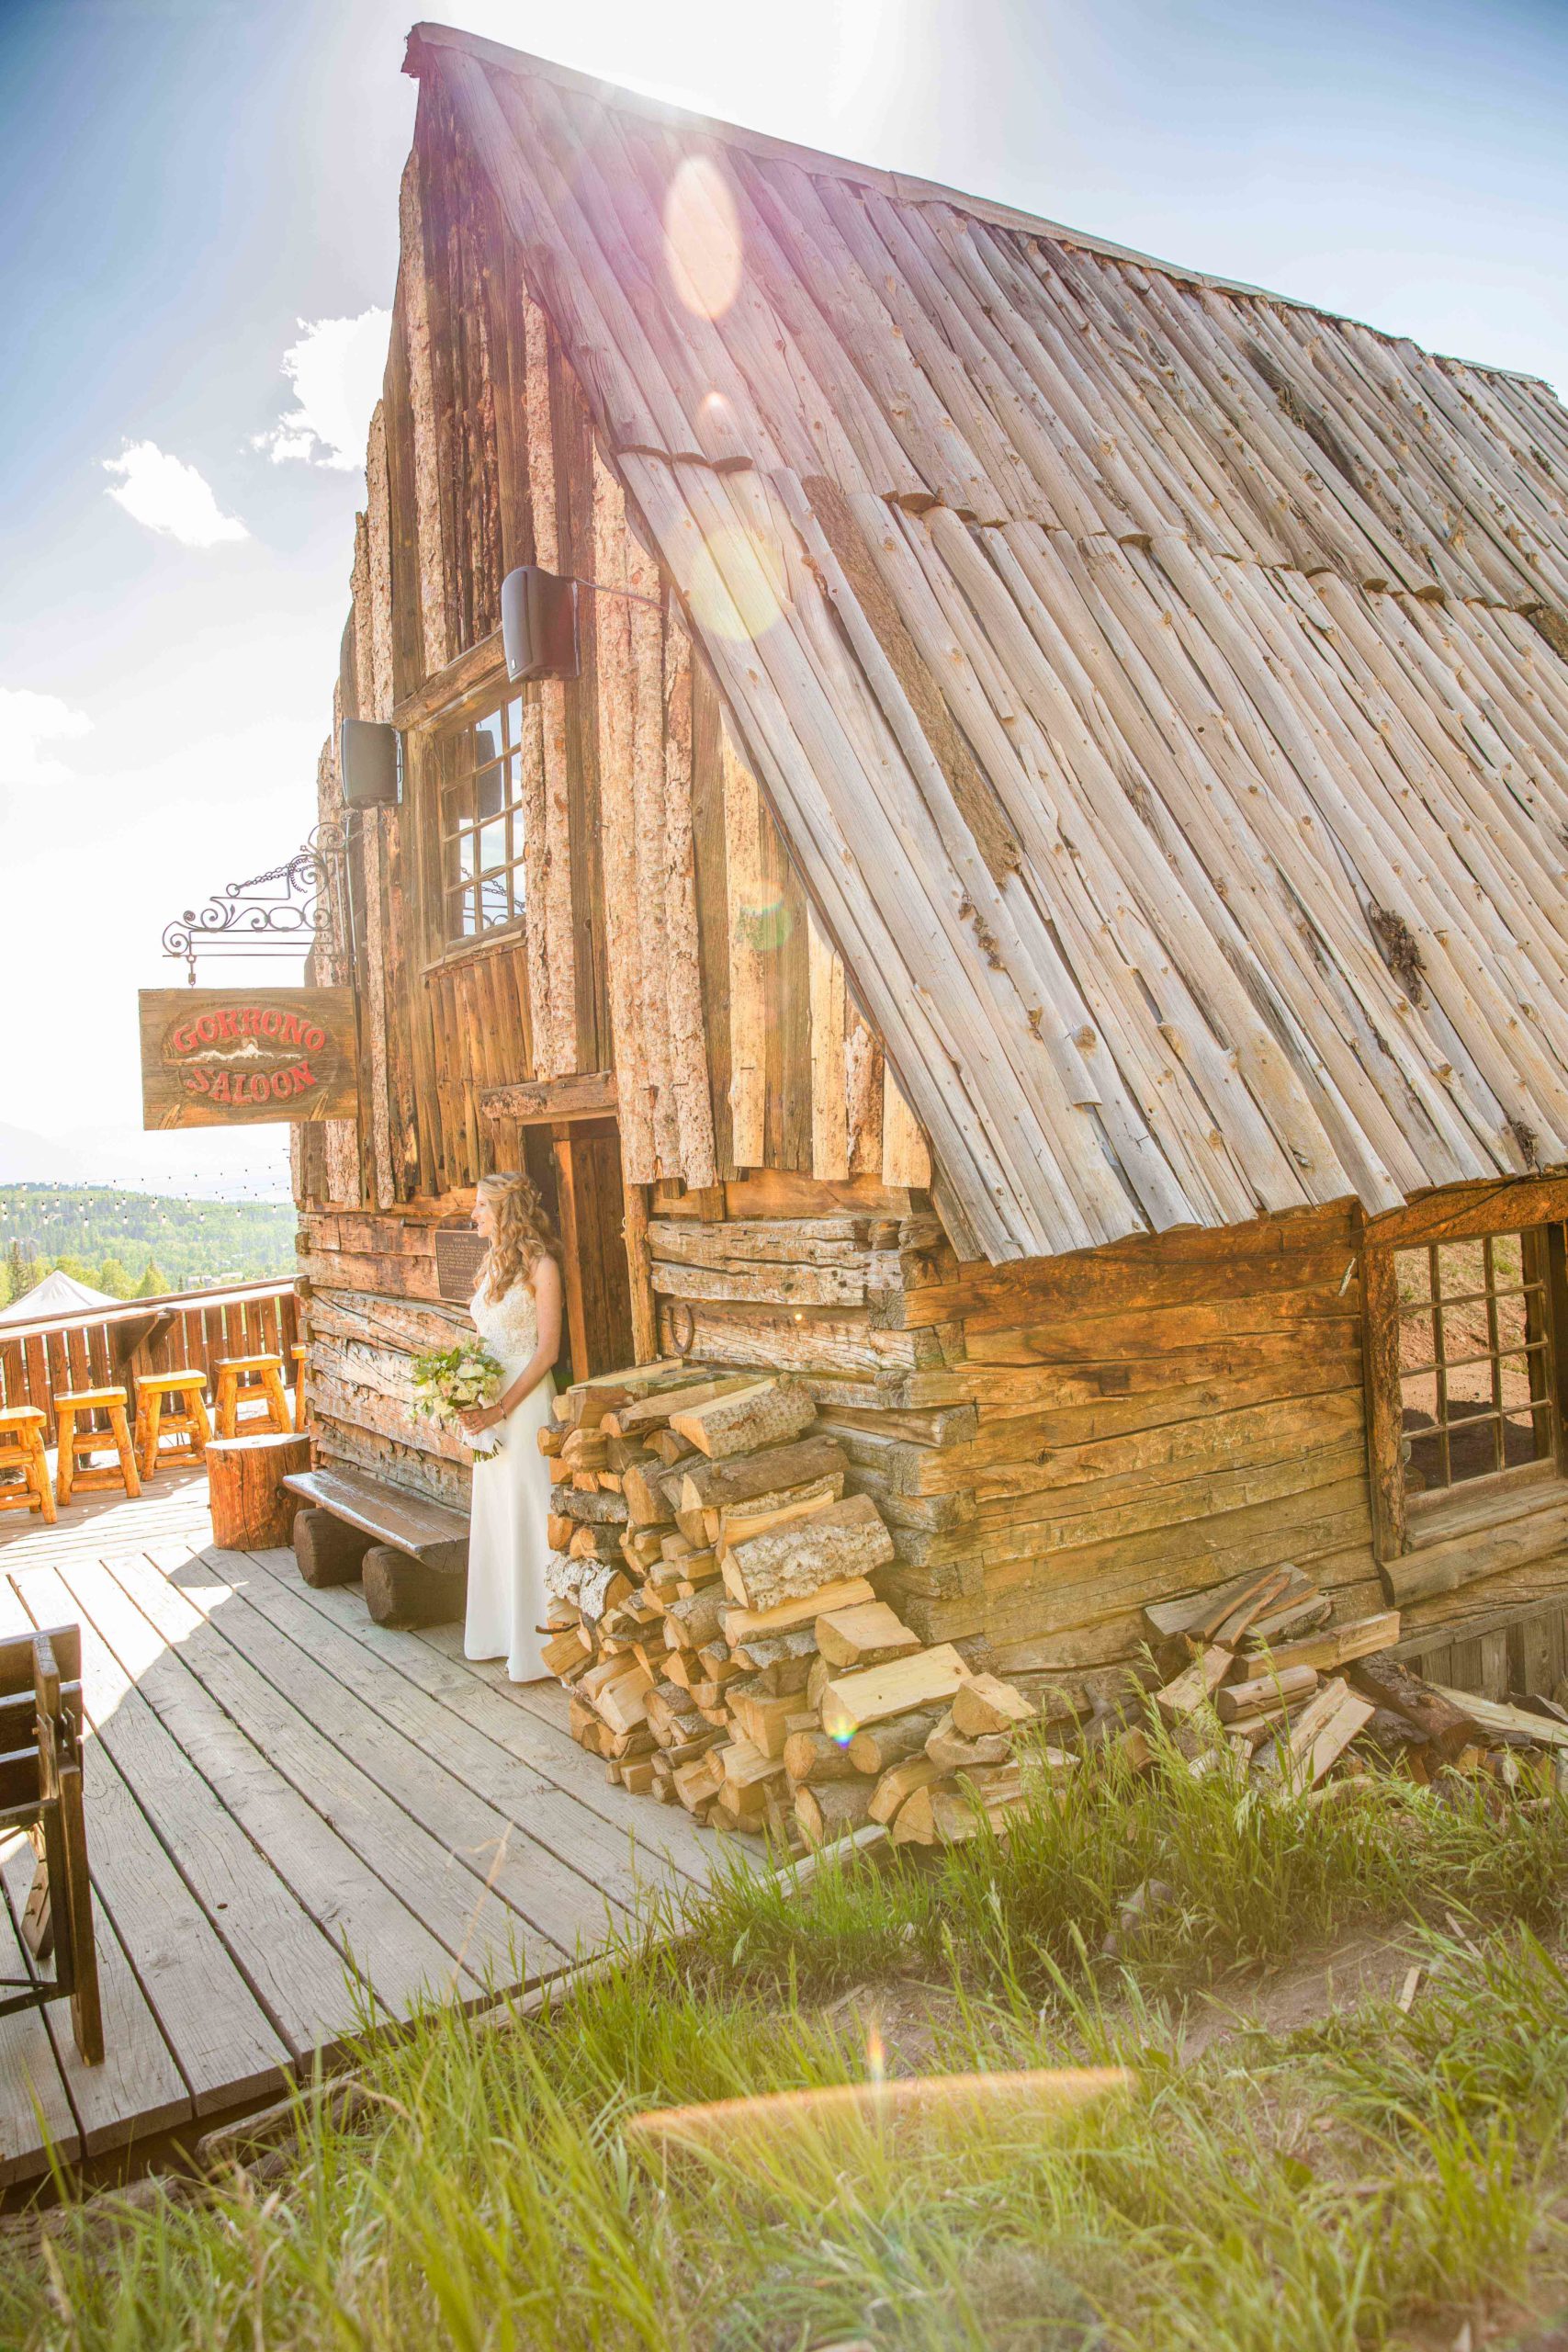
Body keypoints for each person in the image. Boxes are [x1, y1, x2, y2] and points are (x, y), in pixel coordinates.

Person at [458, 1170, 563, 1682]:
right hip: (489, 1408)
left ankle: (545, 1646)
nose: (473, 1214)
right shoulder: (491, 1267)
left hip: (524, 1408)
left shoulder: (542, 1268)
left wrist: (502, 1409)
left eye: (481, 1205)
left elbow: (547, 1352)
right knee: (498, 1515)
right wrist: (464, 1391)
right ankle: (502, 1632)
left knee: (530, 1512)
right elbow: (484, 1342)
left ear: (505, 1210)